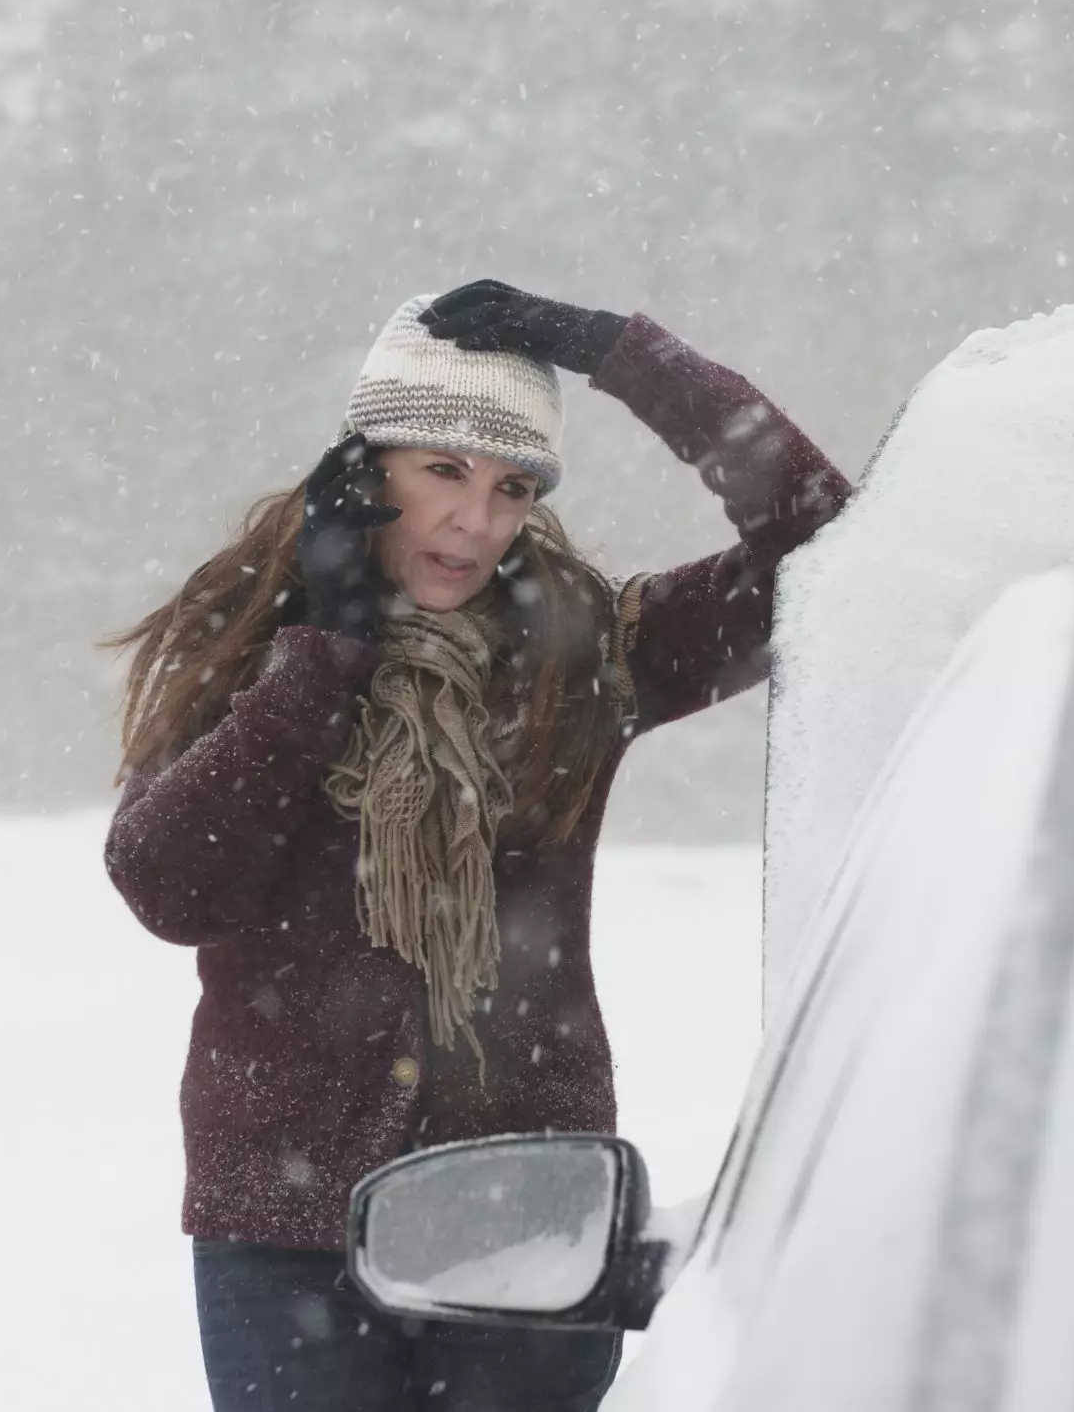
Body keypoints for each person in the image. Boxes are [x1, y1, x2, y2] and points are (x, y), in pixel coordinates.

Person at [103, 279, 849, 1412]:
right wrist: (322, 661)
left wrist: (617, 352)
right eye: (442, 470)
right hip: (285, 1227)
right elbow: (169, 885)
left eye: (512, 486)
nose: (474, 522)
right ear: (365, 469)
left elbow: (829, 542)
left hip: (525, 1213)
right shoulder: (243, 644)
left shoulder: (585, 652)